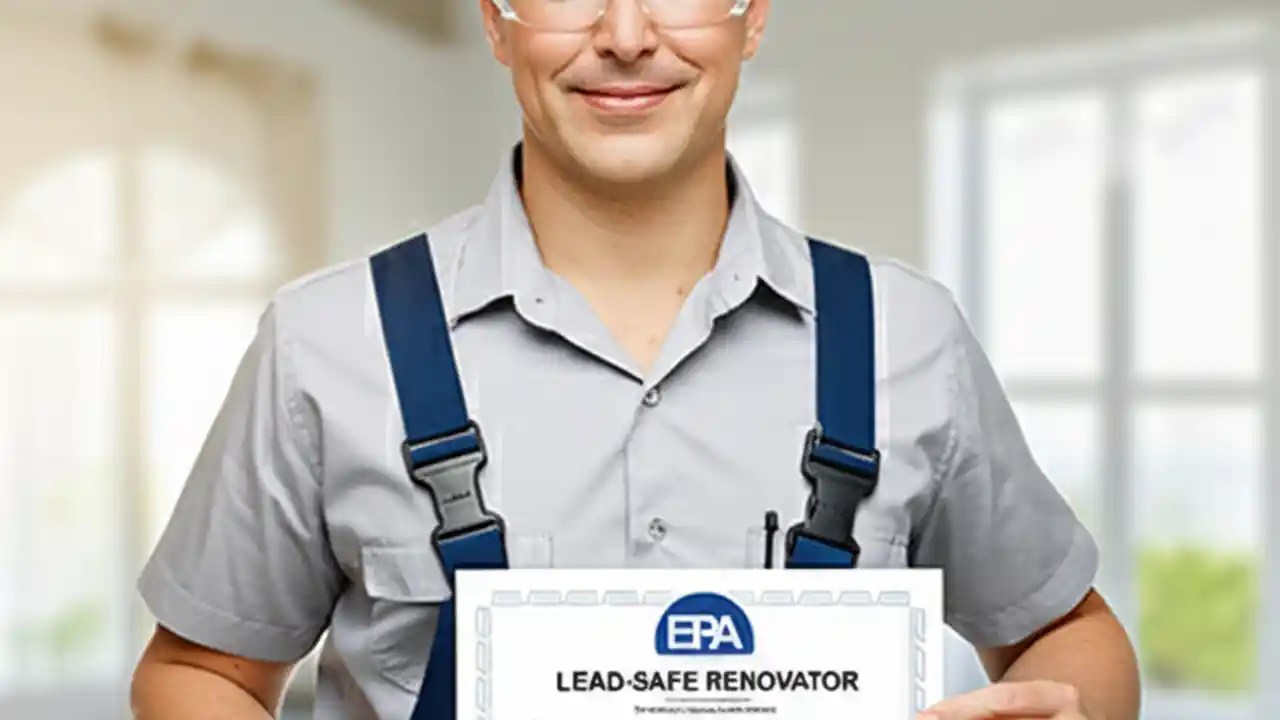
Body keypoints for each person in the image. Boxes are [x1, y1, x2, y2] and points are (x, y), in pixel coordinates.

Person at [130, 1, 1141, 719]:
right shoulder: (325, 343)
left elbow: (1067, 633)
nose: (623, 35)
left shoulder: (905, 335)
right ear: (493, 19)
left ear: (752, 16)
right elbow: (200, 673)